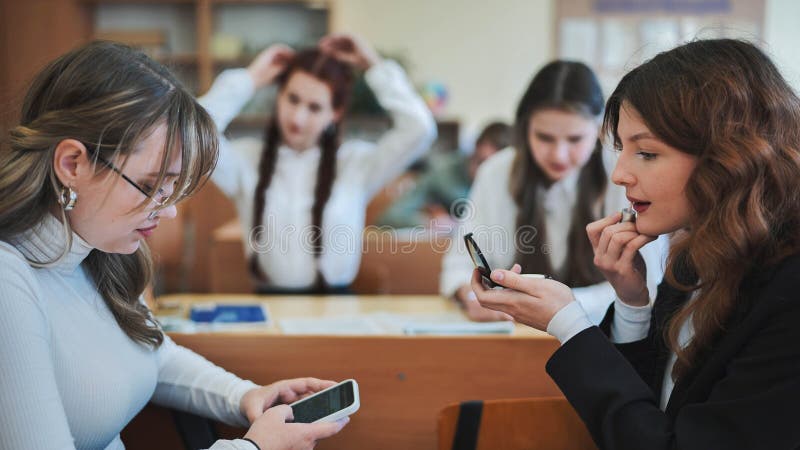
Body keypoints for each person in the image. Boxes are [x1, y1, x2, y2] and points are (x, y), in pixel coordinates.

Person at [0, 41, 348, 450]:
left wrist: (243, 395)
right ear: (73, 164)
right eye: (149, 186)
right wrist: (252, 448)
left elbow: (153, 353)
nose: (167, 213)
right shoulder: (10, 282)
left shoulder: (99, 251)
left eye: (170, 190)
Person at [471, 39, 800, 449]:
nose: (620, 174)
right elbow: (644, 416)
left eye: (645, 153)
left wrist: (569, 323)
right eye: (621, 149)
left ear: (728, 156)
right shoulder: (694, 257)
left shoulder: (787, 289)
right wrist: (631, 301)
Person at [199, 33, 436, 294]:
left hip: (336, 312)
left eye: (314, 107)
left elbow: (420, 130)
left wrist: (374, 66)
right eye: (292, 99)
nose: (298, 118)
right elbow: (189, 137)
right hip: (268, 309)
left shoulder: (356, 164)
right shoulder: (246, 160)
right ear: (279, 96)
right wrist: (250, 79)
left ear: (334, 114)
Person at [440, 60, 667, 322]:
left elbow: (650, 281)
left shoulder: (622, 173)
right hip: (514, 336)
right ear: (525, 130)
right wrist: (470, 295)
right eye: (545, 138)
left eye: (575, 139)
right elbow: (458, 265)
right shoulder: (497, 171)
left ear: (598, 130)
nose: (558, 155)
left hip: (606, 333)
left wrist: (559, 306)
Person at [376, 121, 512, 229]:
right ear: (475, 148)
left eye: (494, 169)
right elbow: (391, 216)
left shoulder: (511, 181)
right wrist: (431, 222)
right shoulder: (441, 172)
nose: (484, 173)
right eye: (480, 162)